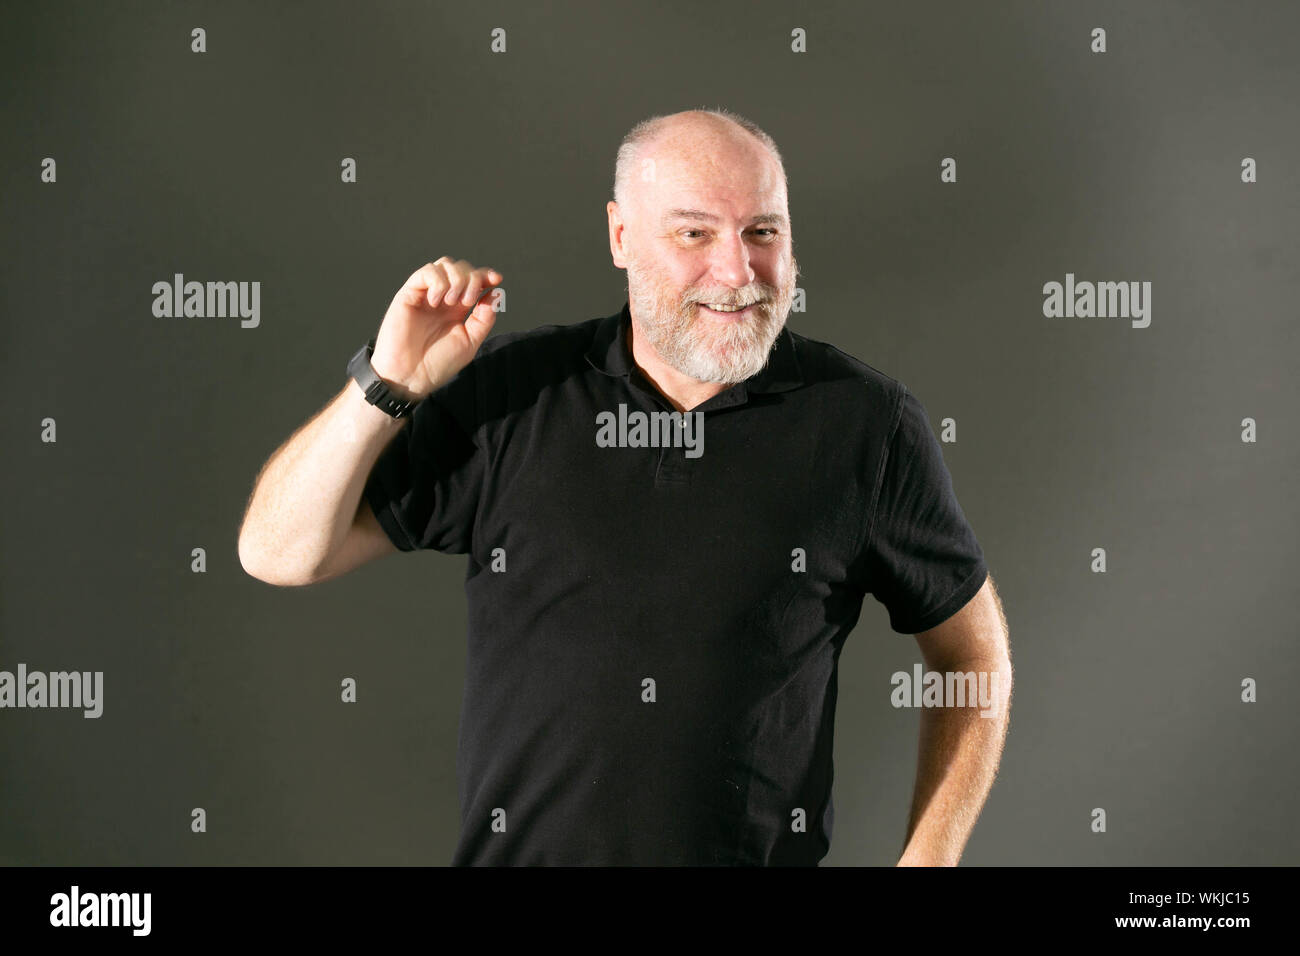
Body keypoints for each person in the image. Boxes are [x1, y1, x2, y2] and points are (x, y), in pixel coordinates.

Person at [238, 108, 1012, 866]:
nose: (737, 271)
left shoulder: (864, 425)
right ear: (620, 237)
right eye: (694, 233)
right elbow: (279, 553)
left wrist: (931, 861)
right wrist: (388, 385)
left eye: (762, 231)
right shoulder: (512, 397)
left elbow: (973, 658)